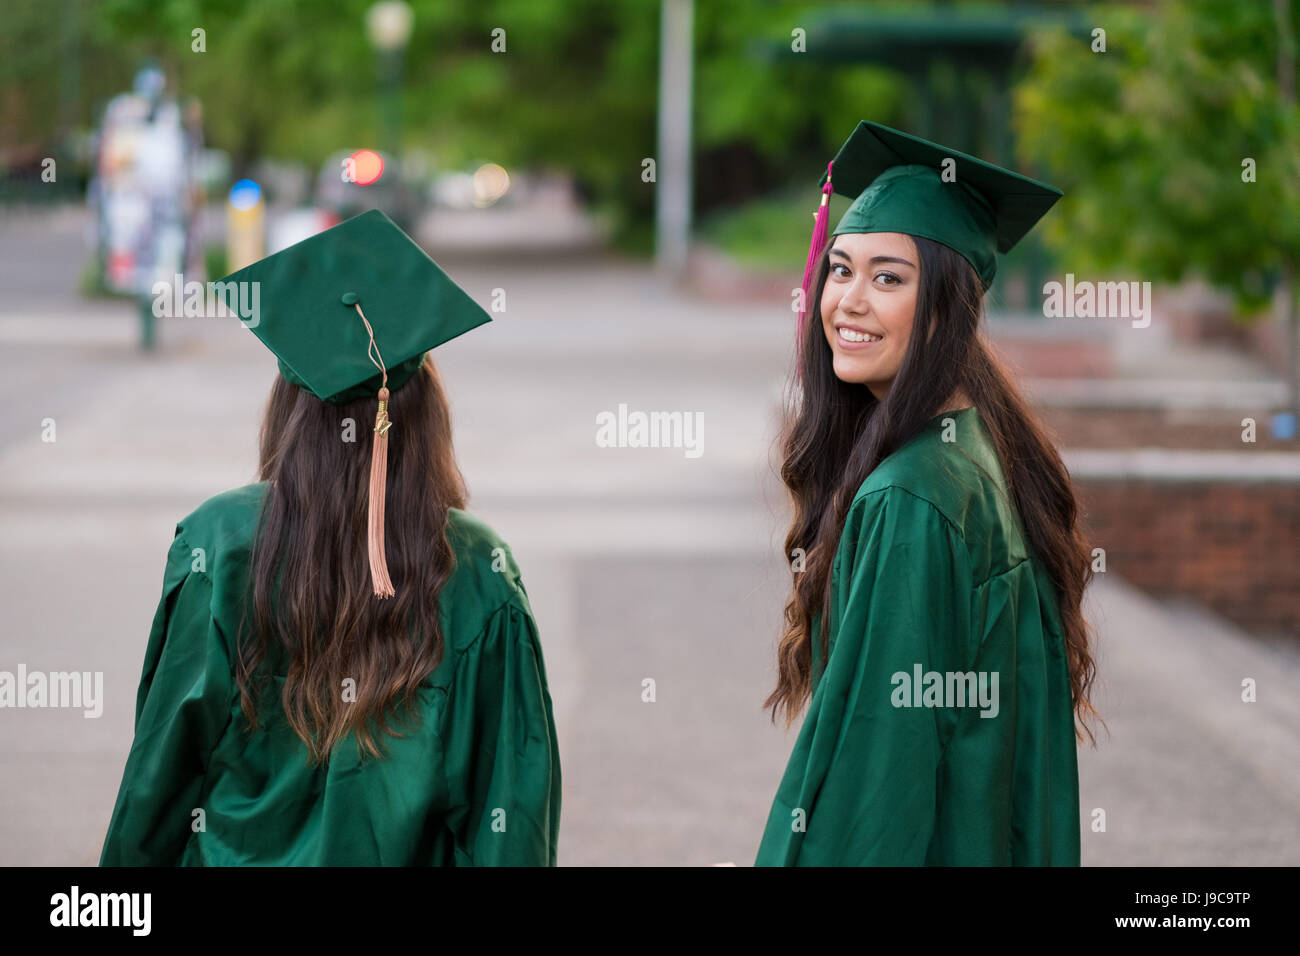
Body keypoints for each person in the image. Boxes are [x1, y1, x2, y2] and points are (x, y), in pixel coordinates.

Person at [99, 210, 561, 865]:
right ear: (425, 415)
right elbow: (510, 816)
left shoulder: (221, 542)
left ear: (288, 409)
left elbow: (161, 780)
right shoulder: (479, 570)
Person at [757, 122, 1101, 866]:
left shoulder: (908, 500)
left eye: (888, 278)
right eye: (840, 270)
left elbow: (877, 771)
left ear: (949, 306)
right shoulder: (978, 452)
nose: (847, 301)